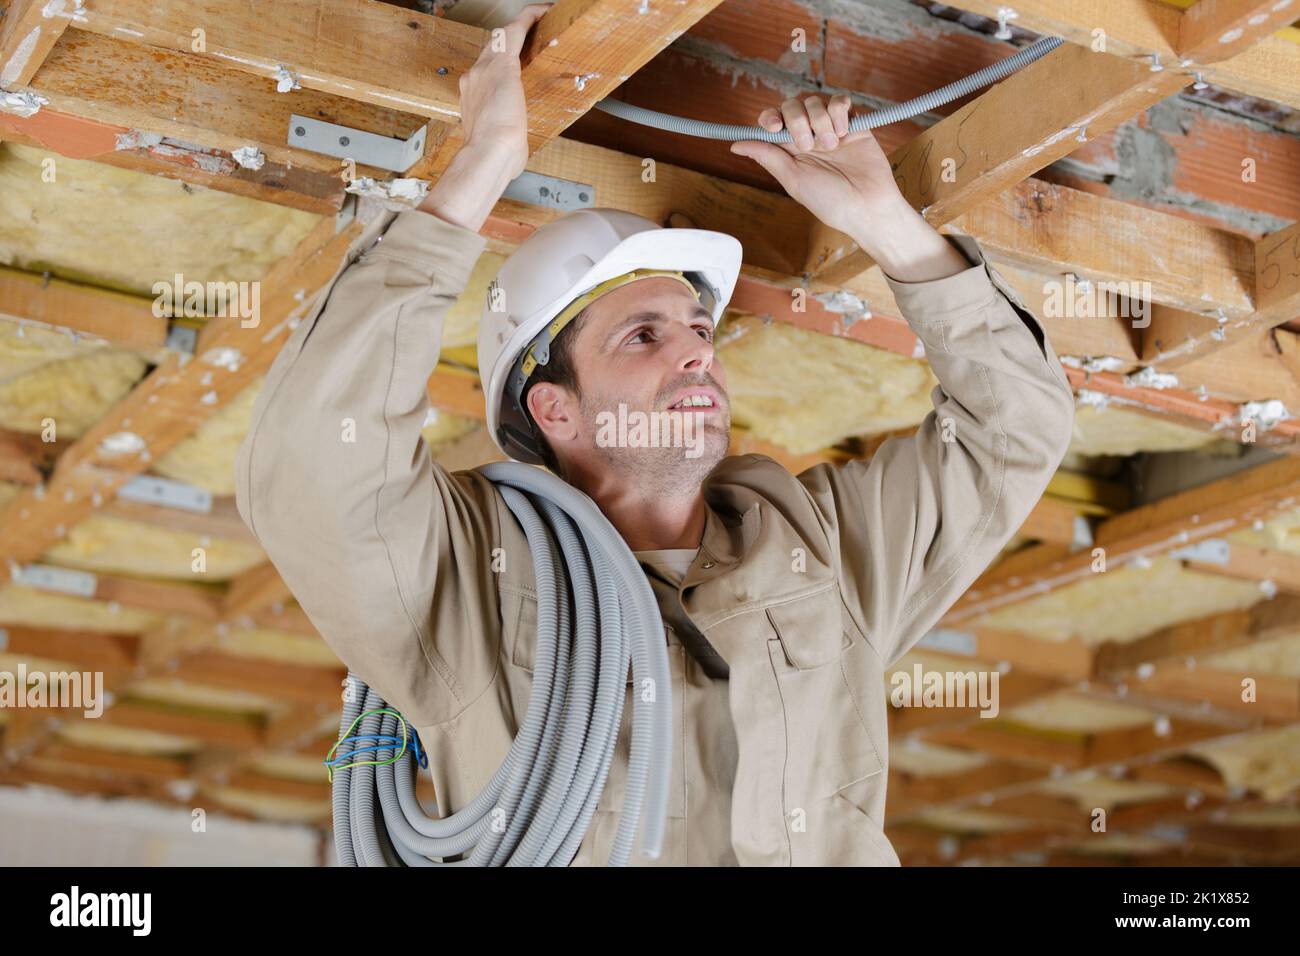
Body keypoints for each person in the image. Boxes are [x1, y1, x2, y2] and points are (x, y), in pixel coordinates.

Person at [236, 2, 1075, 865]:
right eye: (645, 336)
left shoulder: (824, 552)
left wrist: (885, 224)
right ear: (554, 409)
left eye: (700, 331)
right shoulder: (468, 576)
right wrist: (482, 165)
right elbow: (312, 458)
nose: (696, 359)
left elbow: (1015, 427)